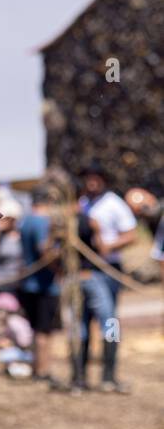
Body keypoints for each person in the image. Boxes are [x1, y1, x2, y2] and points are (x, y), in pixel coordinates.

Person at [75, 165, 136, 394]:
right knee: (82, 323)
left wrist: (109, 245)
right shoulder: (80, 204)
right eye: (88, 179)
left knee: (110, 321)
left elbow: (130, 233)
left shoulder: (114, 203)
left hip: (107, 269)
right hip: (83, 270)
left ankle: (109, 375)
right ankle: (80, 375)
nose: (91, 183)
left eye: (96, 179)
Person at [17, 188, 61, 383]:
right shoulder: (42, 222)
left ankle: (36, 367)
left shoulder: (25, 221)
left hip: (28, 284)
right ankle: (43, 371)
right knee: (45, 330)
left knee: (35, 328)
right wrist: (58, 267)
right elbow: (45, 250)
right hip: (44, 284)